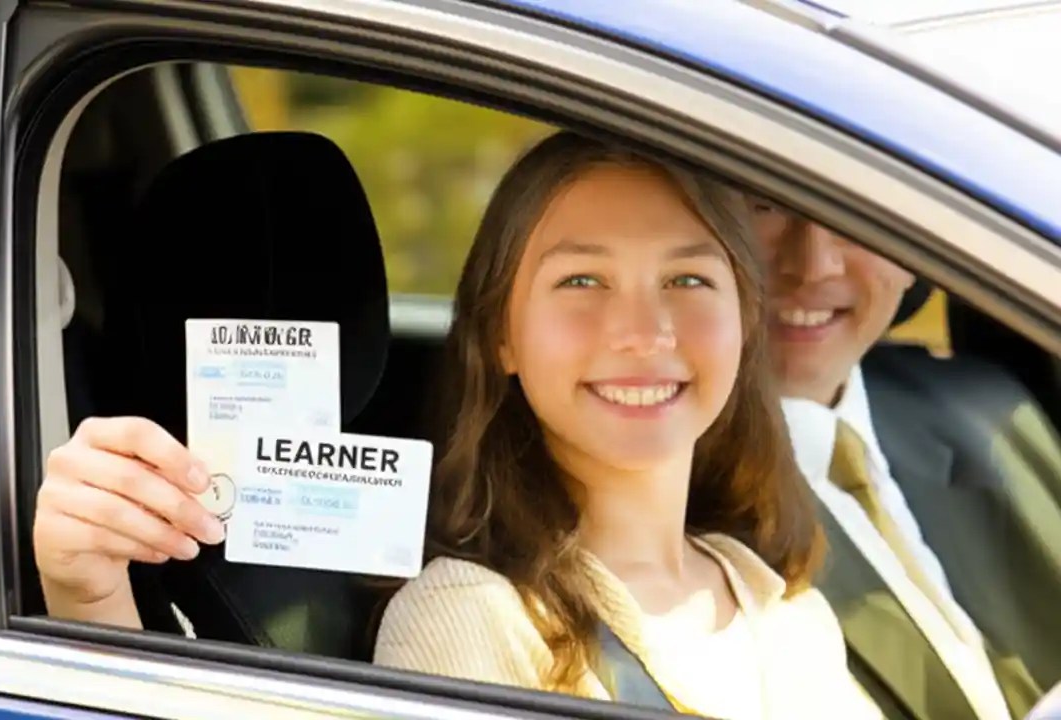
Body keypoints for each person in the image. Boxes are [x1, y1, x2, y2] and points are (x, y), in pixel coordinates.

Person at [371, 132, 878, 718]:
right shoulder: (471, 618)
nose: (643, 332)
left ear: (745, 322)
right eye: (582, 281)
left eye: (687, 280)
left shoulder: (790, 613)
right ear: (501, 336)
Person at [752, 201, 1060, 720]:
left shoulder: (995, 412)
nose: (813, 265)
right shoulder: (655, 518)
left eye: (853, 210)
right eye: (762, 206)